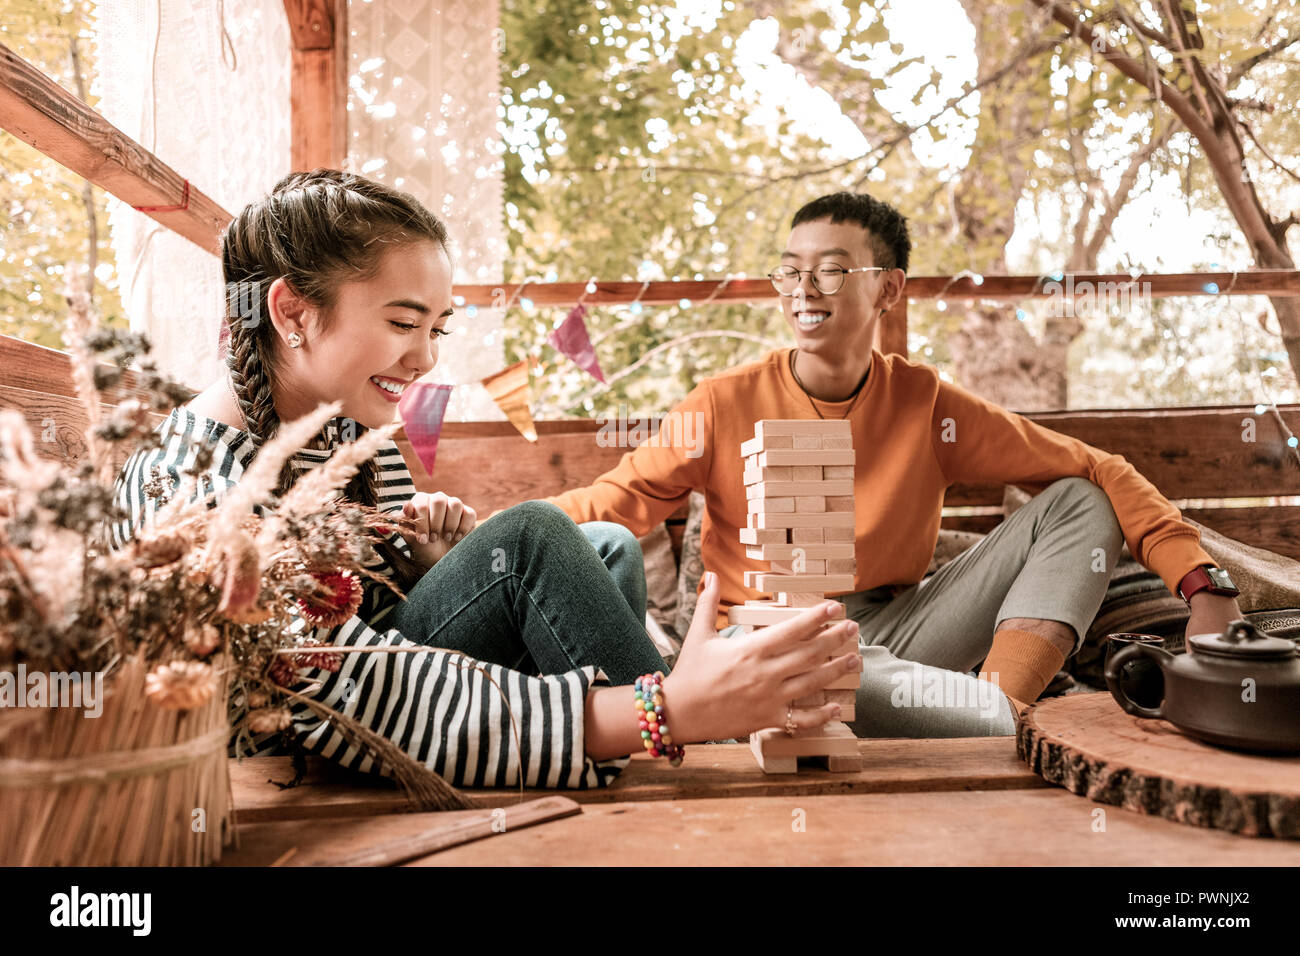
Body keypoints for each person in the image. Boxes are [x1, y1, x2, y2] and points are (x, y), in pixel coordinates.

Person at [109, 169, 861, 788]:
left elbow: (383, 614)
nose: (427, 358)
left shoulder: (349, 433)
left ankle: (665, 724)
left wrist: (435, 569)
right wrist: (664, 709)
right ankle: (692, 746)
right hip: (312, 746)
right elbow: (353, 695)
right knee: (532, 537)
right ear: (293, 311)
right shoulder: (196, 489)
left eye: (436, 330)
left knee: (602, 545)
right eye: (404, 324)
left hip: (389, 686)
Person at [545, 191, 1245, 737]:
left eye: (830, 270)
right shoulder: (723, 403)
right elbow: (613, 503)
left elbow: (1099, 468)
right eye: (790, 270)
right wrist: (485, 534)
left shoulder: (926, 403)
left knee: (1078, 499)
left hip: (899, 632)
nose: (802, 288)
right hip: (762, 641)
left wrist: (1203, 584)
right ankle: (989, 725)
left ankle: (996, 708)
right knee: (815, 680)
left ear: (888, 289)